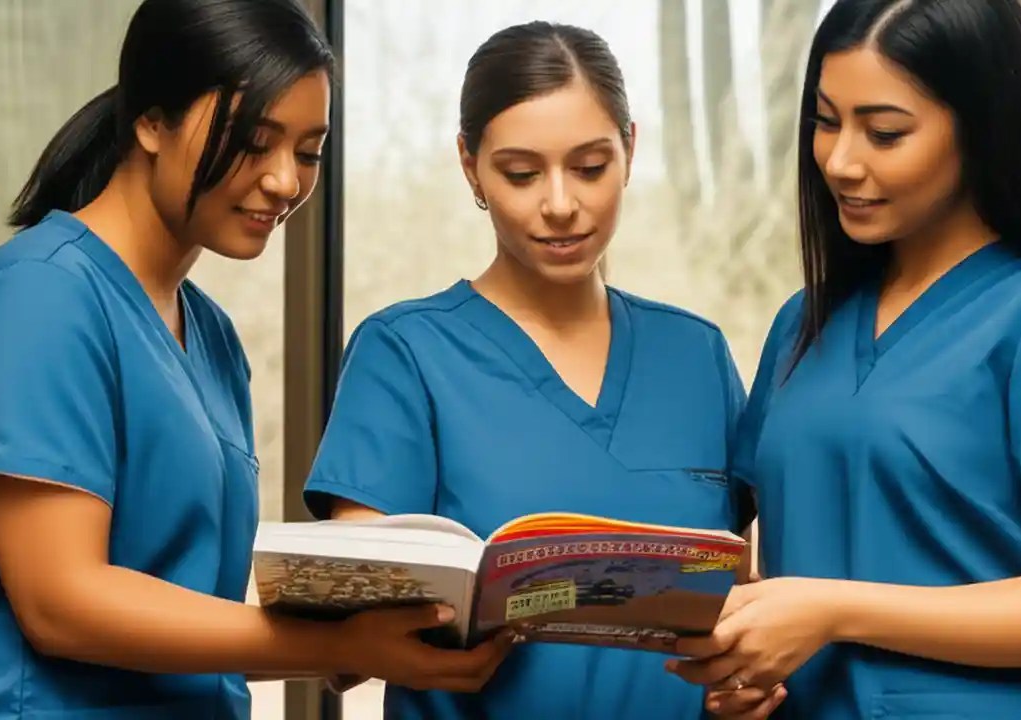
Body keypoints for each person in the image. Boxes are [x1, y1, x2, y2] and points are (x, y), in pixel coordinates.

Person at [0, 1, 510, 717]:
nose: (286, 181)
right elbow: (60, 602)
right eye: (254, 142)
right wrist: (336, 648)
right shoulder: (37, 297)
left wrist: (375, 627)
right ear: (152, 121)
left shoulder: (211, 338)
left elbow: (186, 628)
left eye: (308, 152)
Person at [667, 0, 1021, 718]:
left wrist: (830, 611)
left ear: (983, 129)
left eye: (885, 132)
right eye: (825, 121)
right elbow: (766, 563)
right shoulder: (803, 323)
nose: (838, 160)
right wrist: (747, 671)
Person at [302, 20, 753, 720]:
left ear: (630, 150)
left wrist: (741, 688)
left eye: (590, 166)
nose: (560, 204)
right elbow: (345, 649)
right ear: (469, 166)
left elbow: (743, 610)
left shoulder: (697, 356)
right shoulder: (407, 355)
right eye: (520, 173)